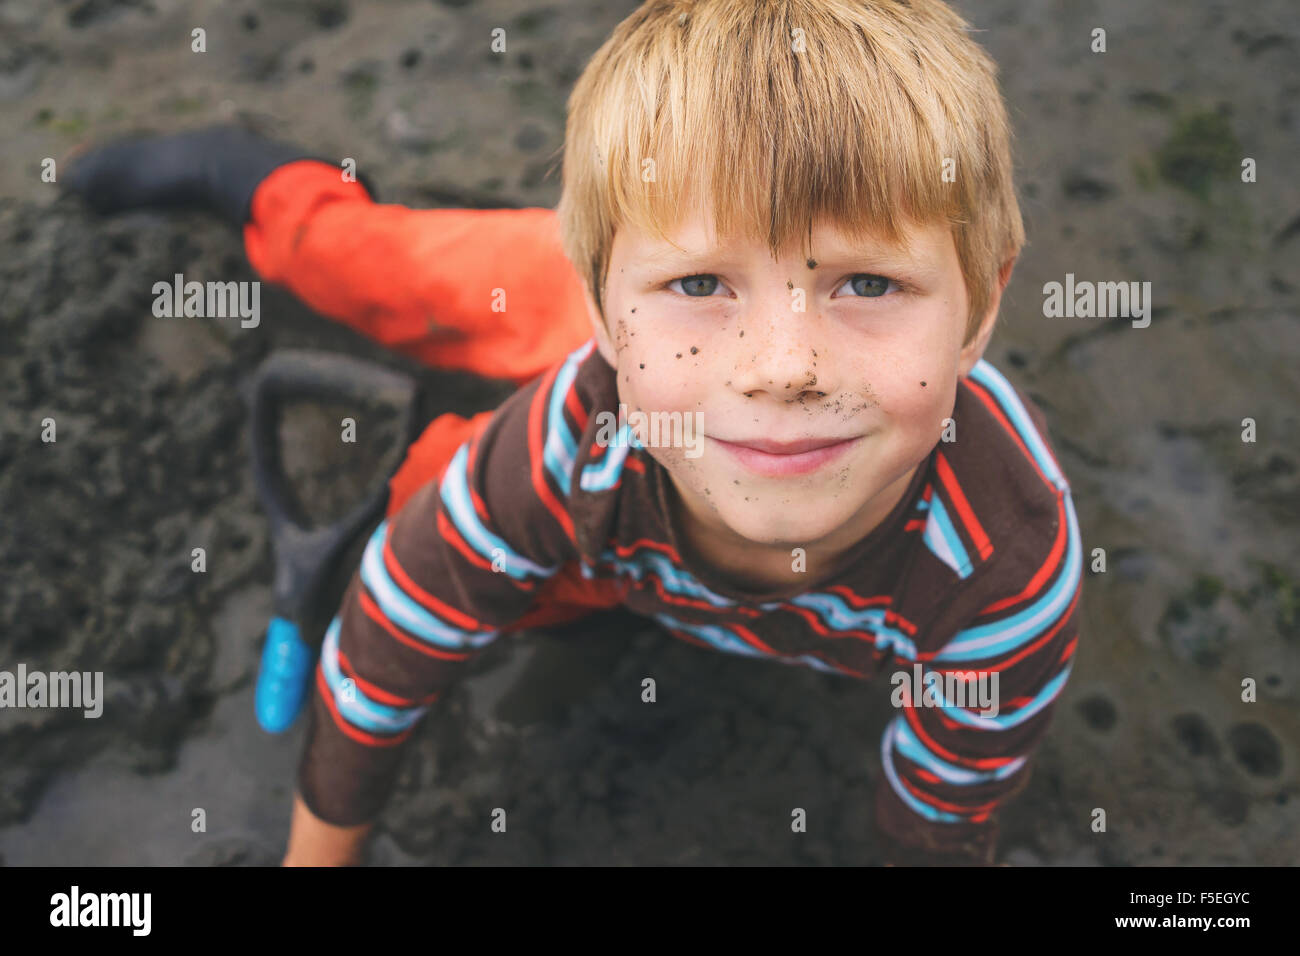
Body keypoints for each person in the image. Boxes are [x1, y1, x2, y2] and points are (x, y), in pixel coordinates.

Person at [65, 0, 1083, 867]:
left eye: (867, 281)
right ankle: (256, 181)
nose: (782, 365)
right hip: (570, 354)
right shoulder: (568, 439)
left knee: (469, 539)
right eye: (699, 279)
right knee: (367, 280)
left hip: (627, 503)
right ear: (605, 300)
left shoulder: (1003, 574)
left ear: (979, 307)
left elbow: (943, 820)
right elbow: (385, 643)